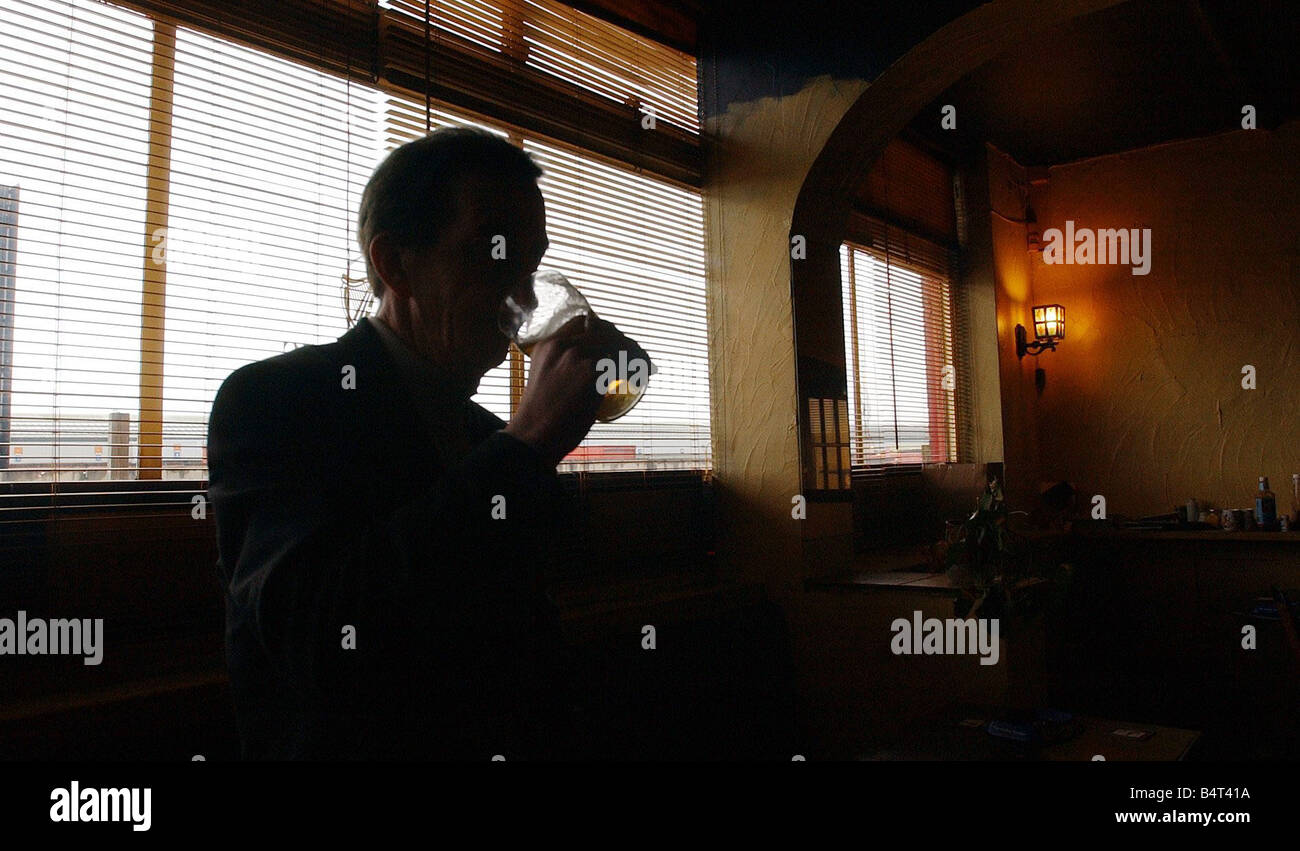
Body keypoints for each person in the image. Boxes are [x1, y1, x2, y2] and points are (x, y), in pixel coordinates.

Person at [208, 127, 637, 759]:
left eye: (531, 265)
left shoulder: (487, 434)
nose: (521, 295)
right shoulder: (276, 400)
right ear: (395, 263)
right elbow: (321, 638)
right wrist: (525, 449)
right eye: (494, 256)